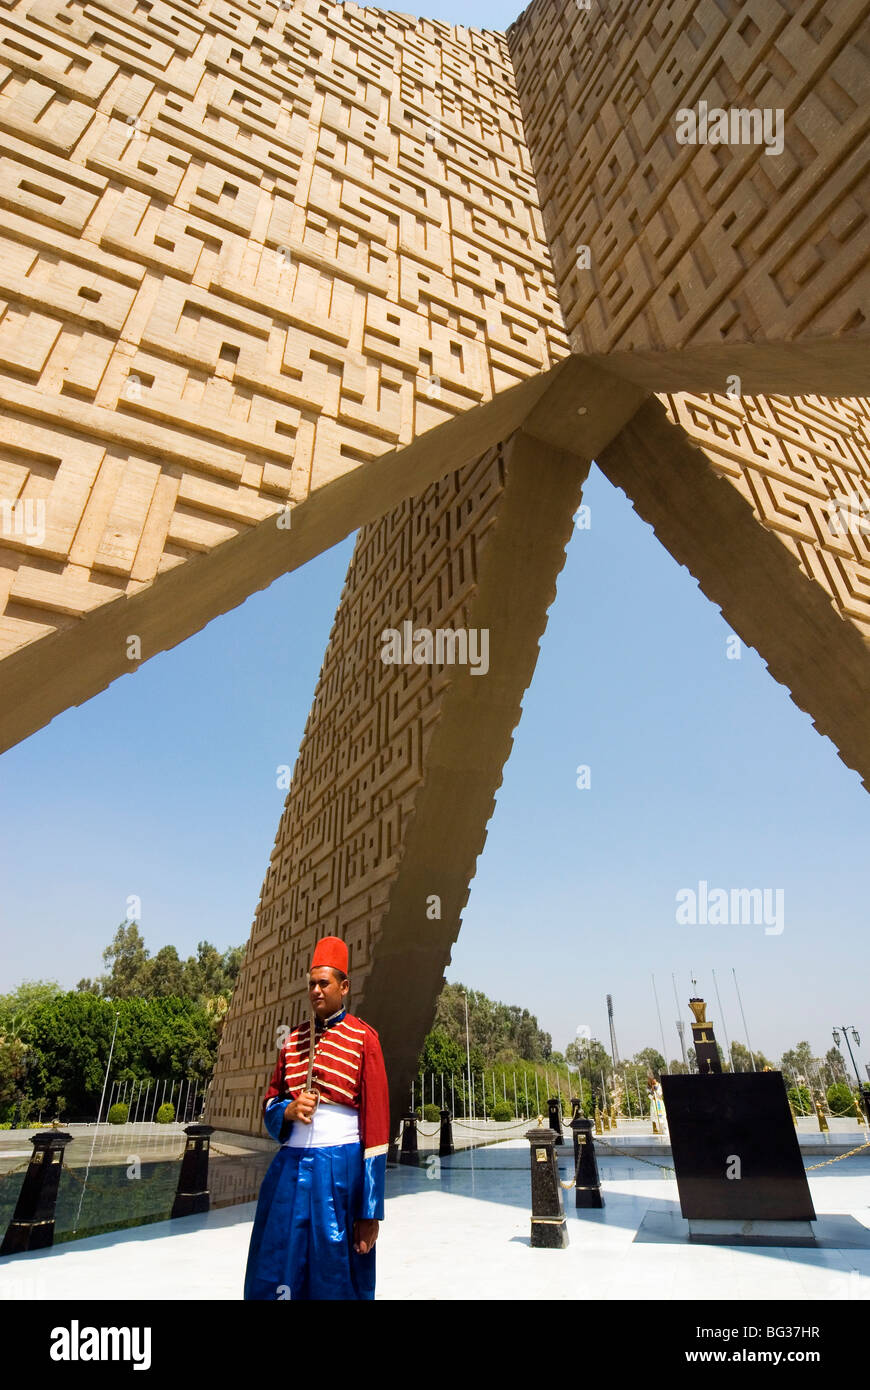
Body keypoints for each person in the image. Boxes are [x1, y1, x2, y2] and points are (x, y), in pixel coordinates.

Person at [243, 936, 390, 1300]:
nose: (316, 990)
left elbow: (376, 1128)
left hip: (339, 1169)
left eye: (324, 983)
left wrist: (370, 1212)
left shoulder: (364, 1039)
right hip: (289, 1169)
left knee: (334, 1268)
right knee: (278, 1258)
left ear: (344, 986)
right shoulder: (292, 1041)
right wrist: (288, 1111)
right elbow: (270, 1102)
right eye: (311, 983)